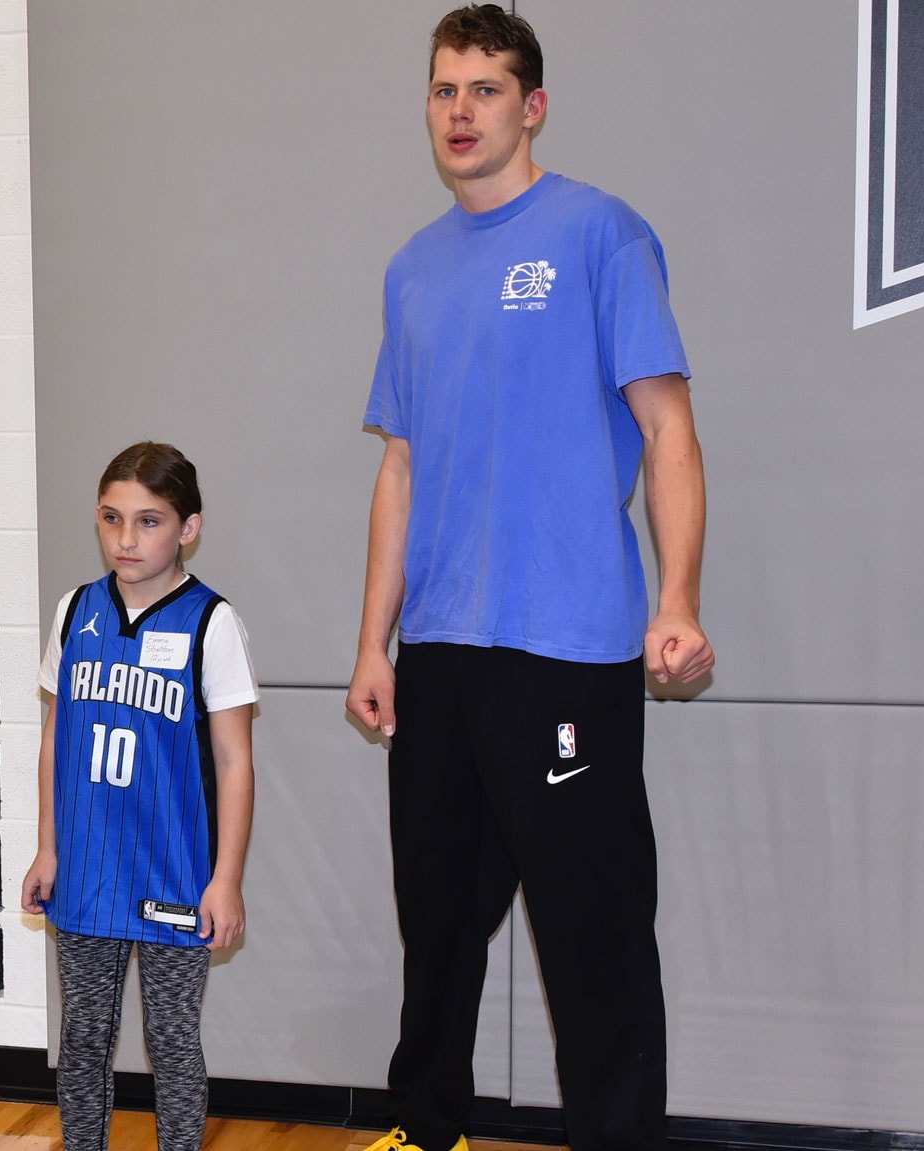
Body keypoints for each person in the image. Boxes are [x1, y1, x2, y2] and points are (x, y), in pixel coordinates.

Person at [343, 8, 715, 1151]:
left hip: (566, 648)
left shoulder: (602, 234)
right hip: (441, 652)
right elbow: (401, 466)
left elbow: (669, 428)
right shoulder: (413, 269)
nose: (460, 111)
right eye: (443, 89)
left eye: (486, 89)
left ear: (532, 106)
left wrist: (677, 599)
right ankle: (426, 1128)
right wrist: (372, 643)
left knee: (592, 930)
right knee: (439, 921)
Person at [21, 442, 257, 1151]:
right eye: (111, 517)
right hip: (86, 866)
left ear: (189, 527)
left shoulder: (212, 622)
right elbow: (56, 737)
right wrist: (46, 847)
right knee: (84, 1036)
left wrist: (226, 880)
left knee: (171, 1037)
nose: (126, 538)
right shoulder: (75, 610)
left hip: (175, 871)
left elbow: (235, 762)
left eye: (149, 521)